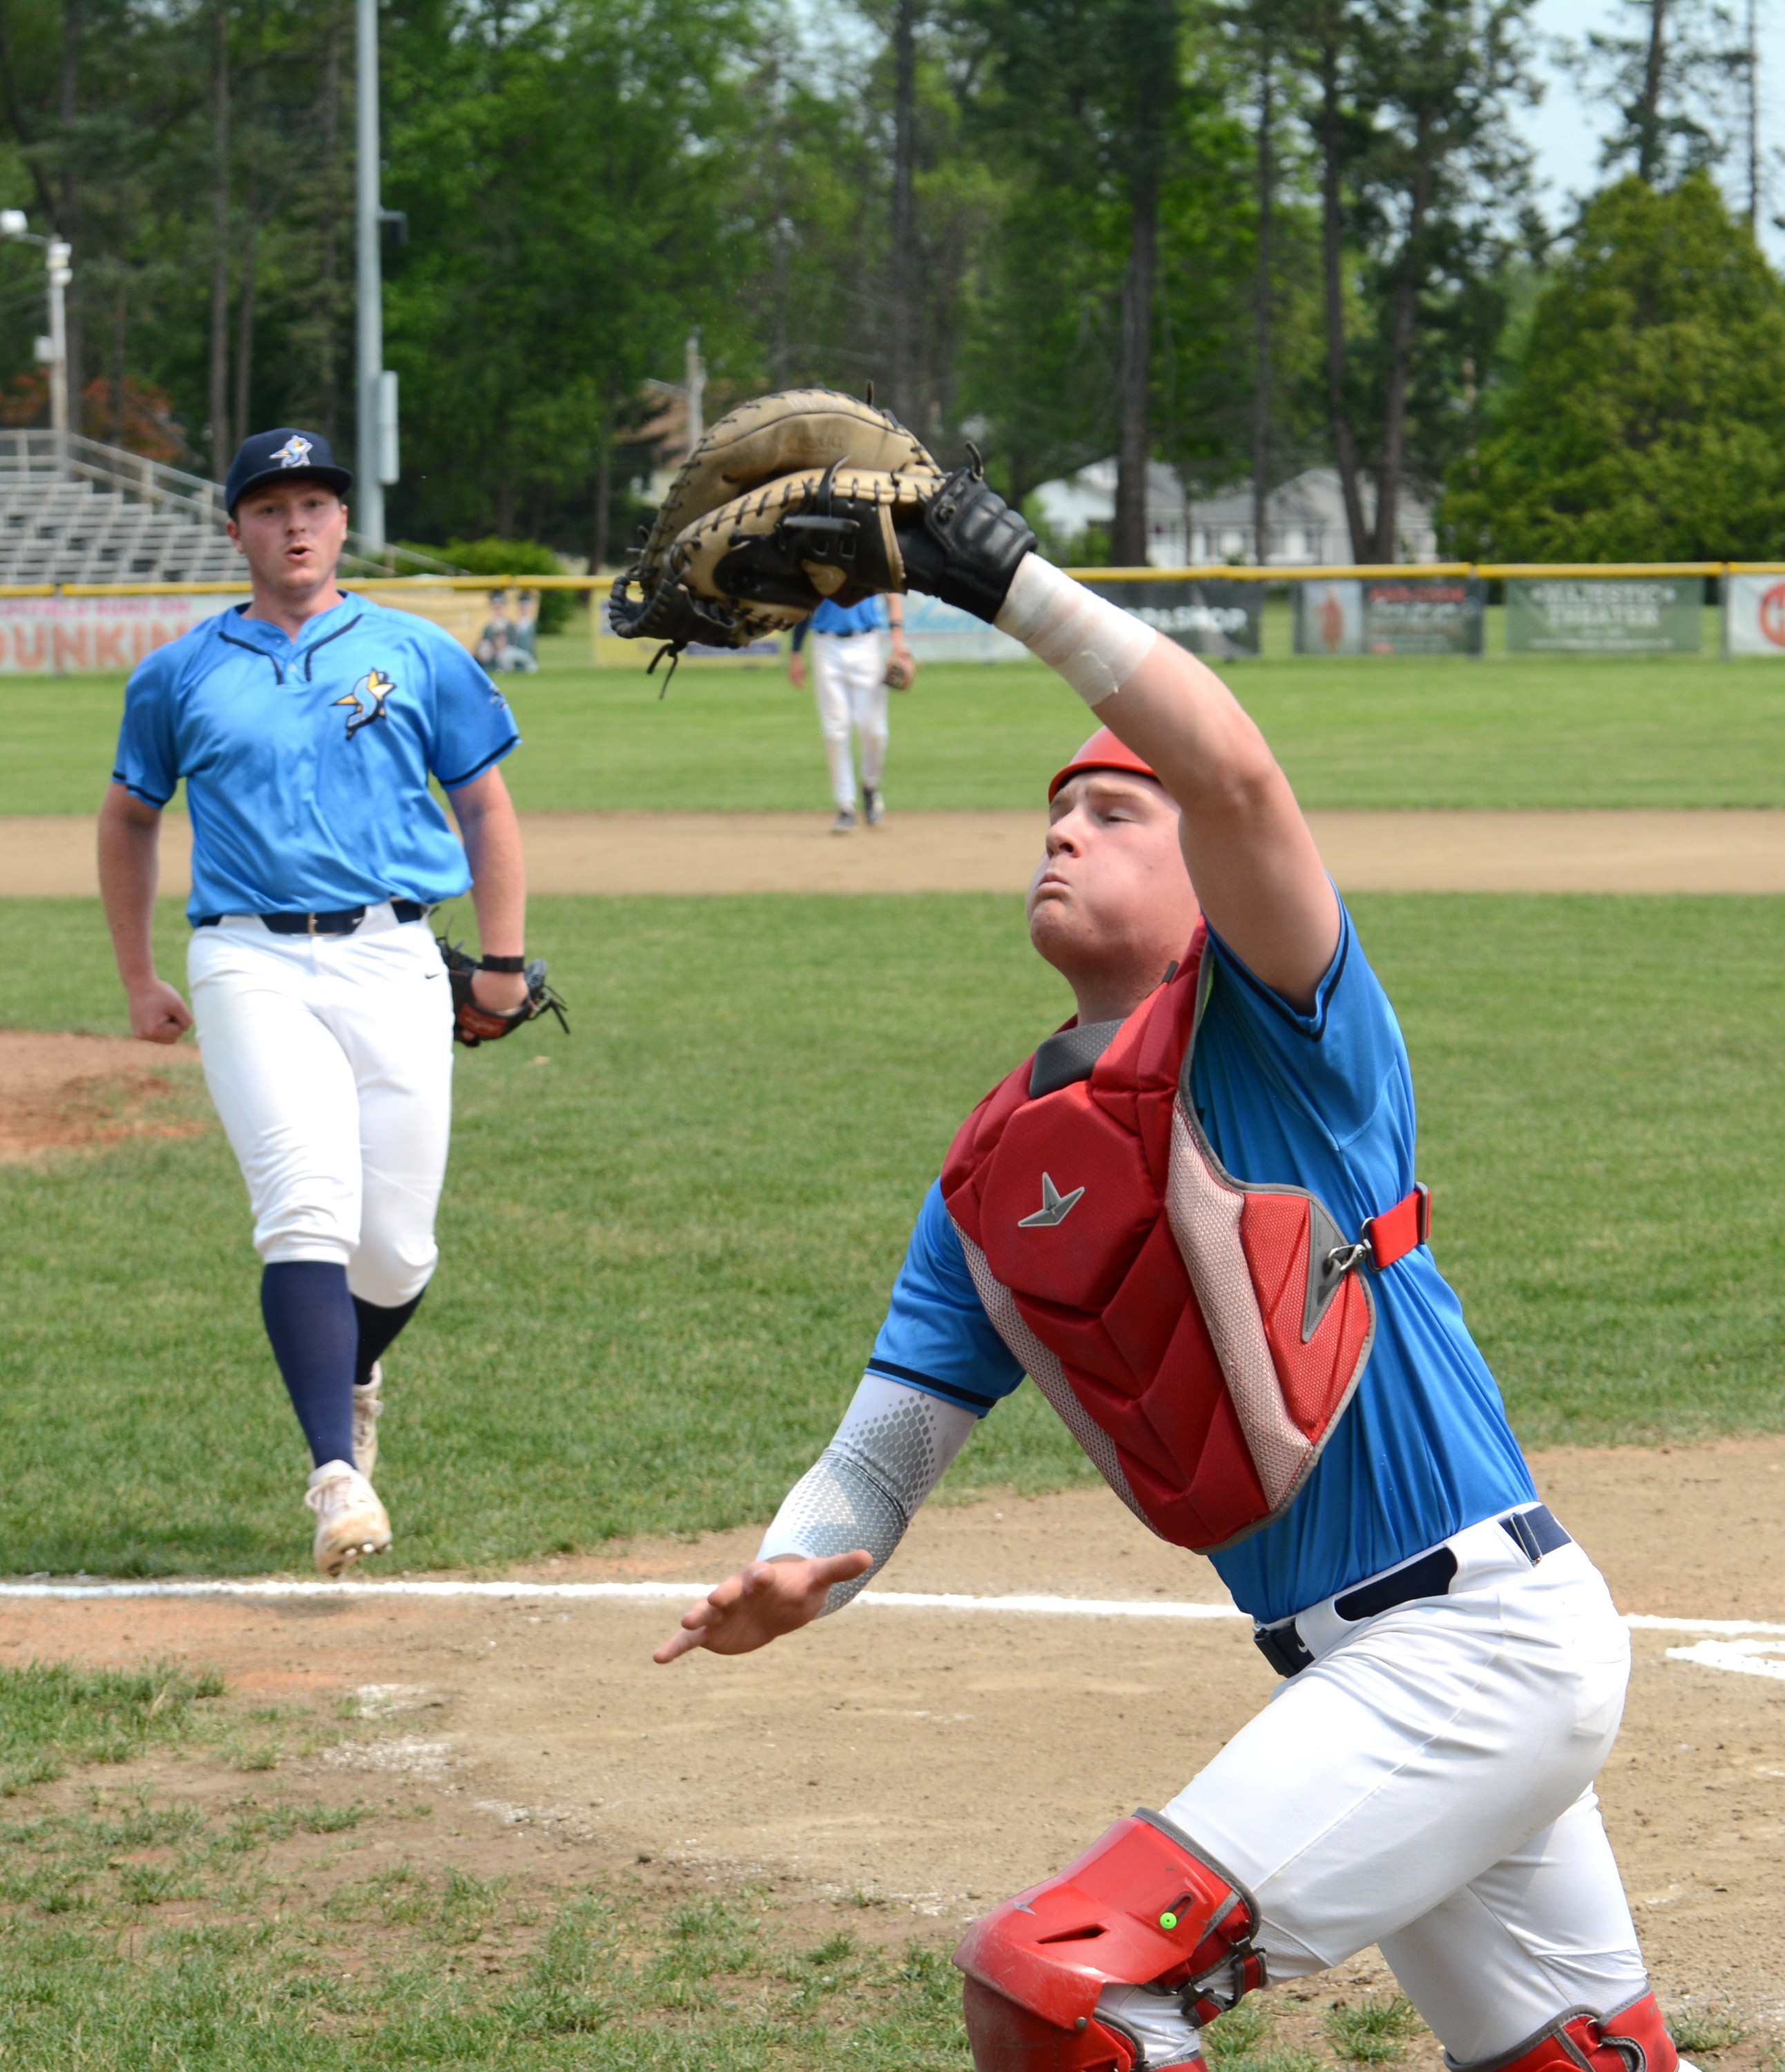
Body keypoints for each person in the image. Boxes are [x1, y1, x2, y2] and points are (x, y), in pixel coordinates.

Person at [658, 514, 1683, 2072]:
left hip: (1477, 1645)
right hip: (1362, 1678)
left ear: (1199, 865)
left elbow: (1235, 774)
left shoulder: (1287, 1030)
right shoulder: (997, 1176)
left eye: (1116, 810)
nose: (1064, 832)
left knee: (1059, 1986)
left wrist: (987, 569)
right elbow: (885, 1450)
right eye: (1055, 813)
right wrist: (800, 1567)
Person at [98, 426, 532, 1575]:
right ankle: (335, 1476)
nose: (296, 524)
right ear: (235, 526)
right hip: (247, 960)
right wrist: (139, 975)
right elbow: (130, 815)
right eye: (270, 505)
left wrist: (501, 958)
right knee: (305, 1205)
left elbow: (482, 805)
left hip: (393, 956)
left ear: (343, 523)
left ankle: (351, 1369)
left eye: (316, 504)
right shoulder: (180, 672)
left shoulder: (413, 649)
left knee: (392, 1253)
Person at [787, 592, 913, 832]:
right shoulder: (819, 559)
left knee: (874, 731)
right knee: (836, 732)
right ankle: (845, 807)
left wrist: (898, 644)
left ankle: (870, 787)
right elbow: (804, 606)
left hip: (866, 644)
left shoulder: (867, 556)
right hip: (826, 646)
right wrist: (795, 653)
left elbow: (892, 597)